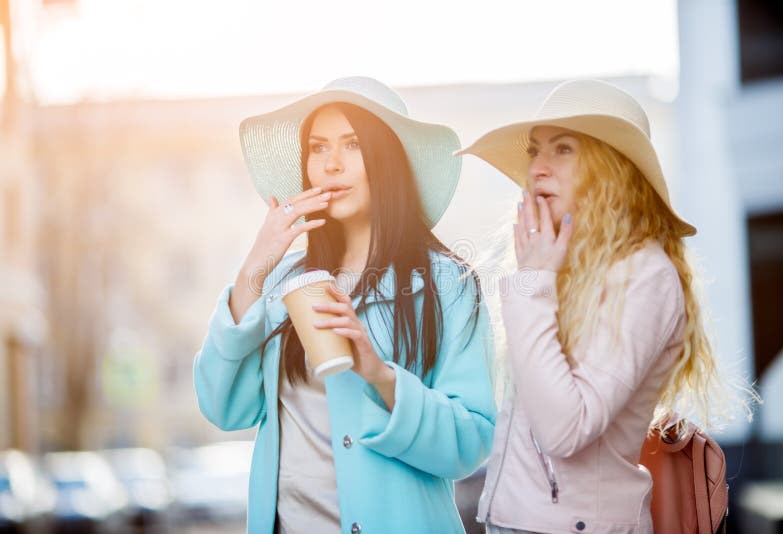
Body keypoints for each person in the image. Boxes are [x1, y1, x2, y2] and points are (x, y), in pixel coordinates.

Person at [193, 76, 496, 534]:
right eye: (318, 148)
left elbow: (470, 443)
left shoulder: (446, 283)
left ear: (388, 162)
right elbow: (223, 408)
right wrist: (256, 265)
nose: (331, 164)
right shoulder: (284, 281)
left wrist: (381, 375)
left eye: (352, 145)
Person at [458, 79, 733, 533]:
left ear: (612, 169)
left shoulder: (646, 275)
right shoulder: (562, 267)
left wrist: (533, 282)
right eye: (534, 150)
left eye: (562, 149)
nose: (538, 167)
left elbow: (564, 430)